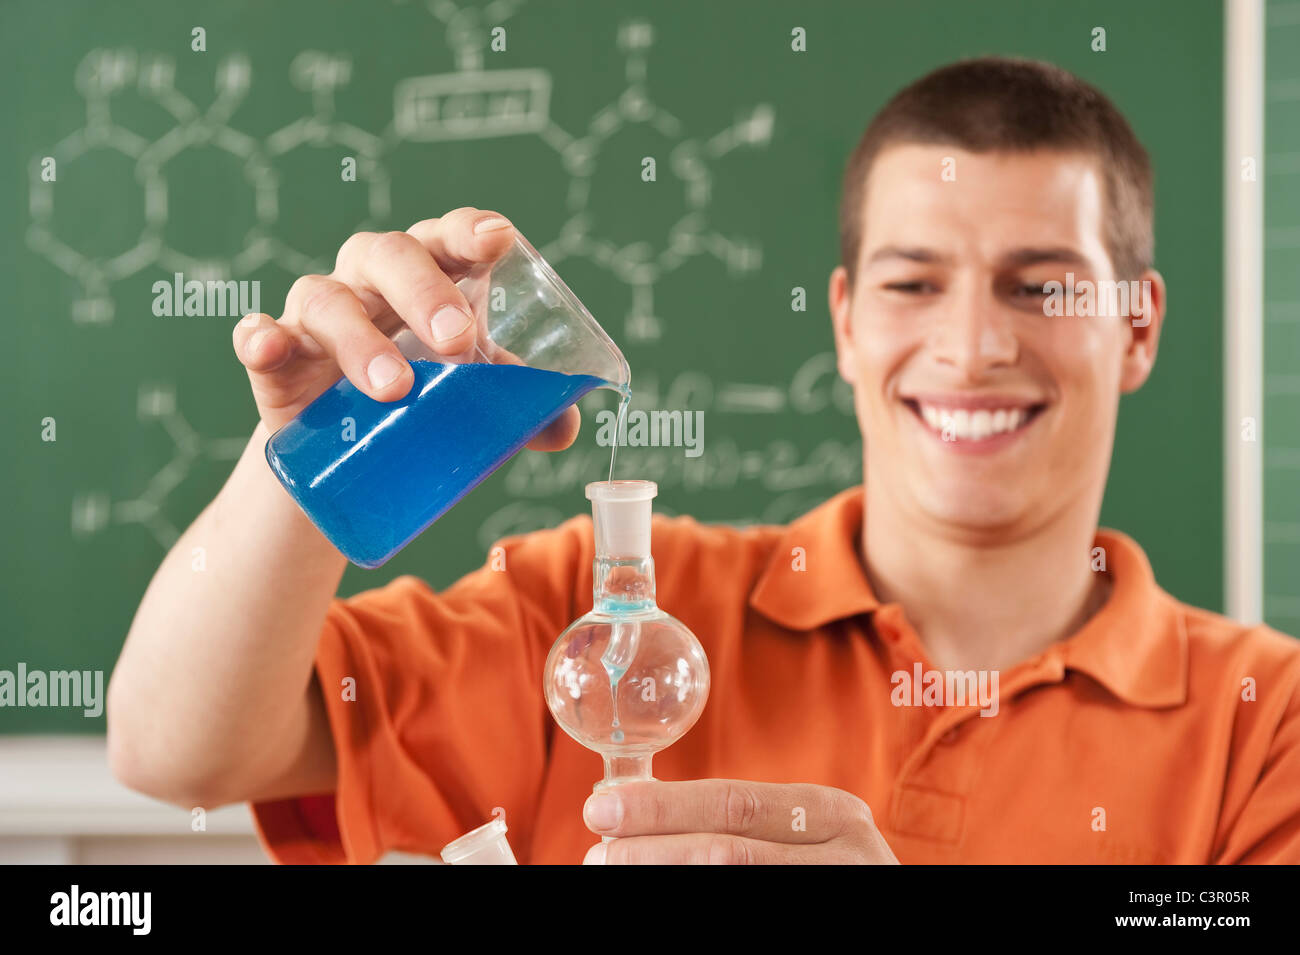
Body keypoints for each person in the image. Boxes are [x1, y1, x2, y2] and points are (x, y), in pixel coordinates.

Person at [108, 56, 1300, 864]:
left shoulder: (1264, 731)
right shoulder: (598, 622)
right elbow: (178, 749)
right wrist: (314, 453)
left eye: (1039, 284)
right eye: (911, 283)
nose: (974, 344)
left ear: (1138, 326)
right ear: (844, 319)